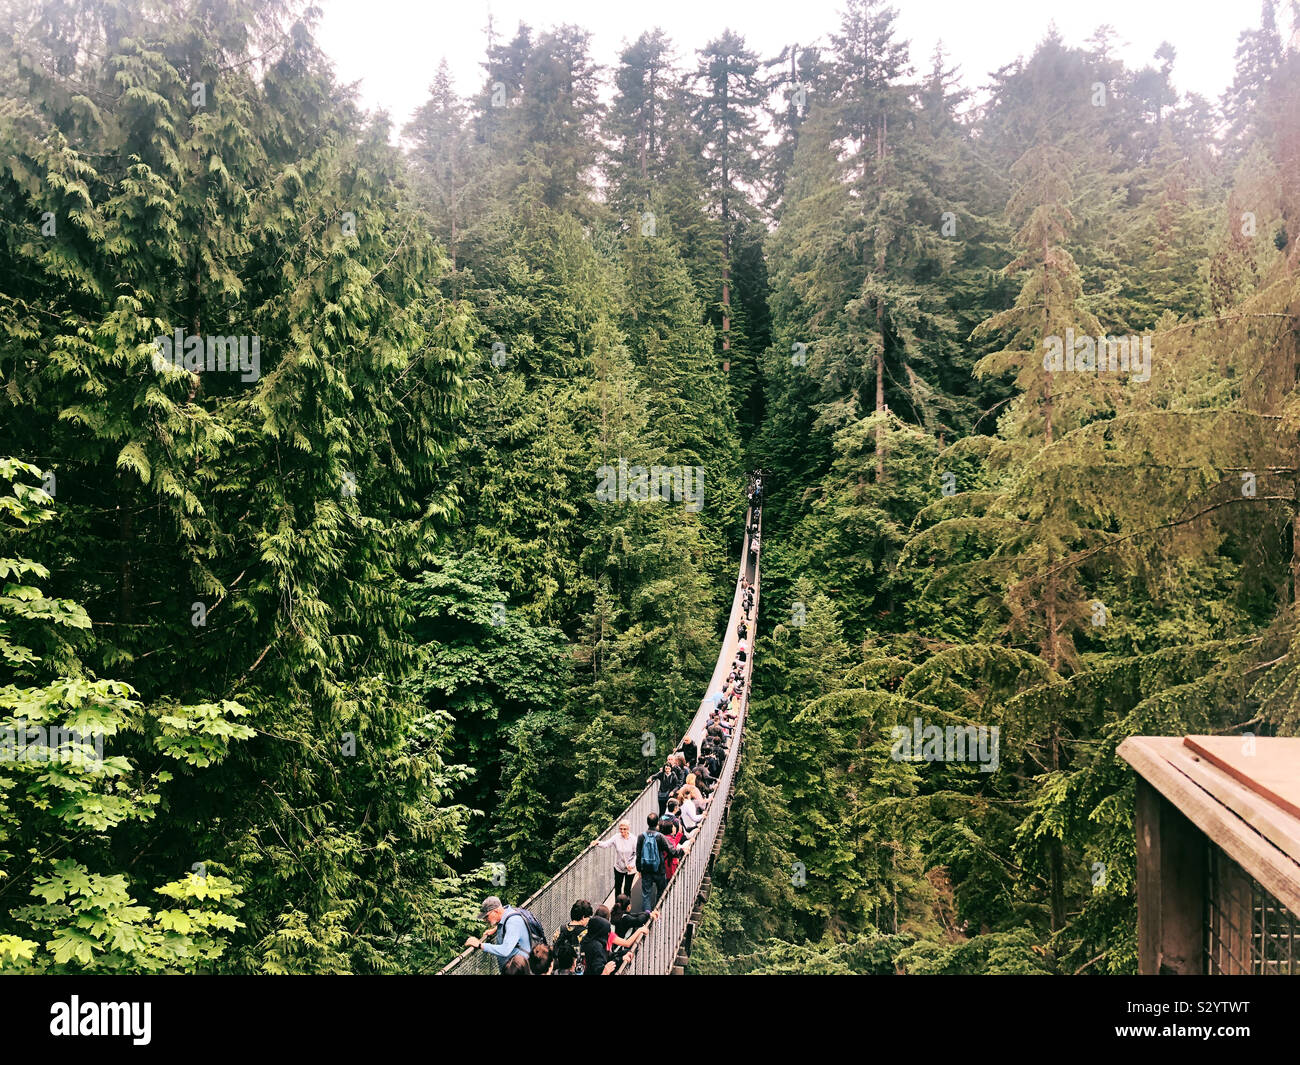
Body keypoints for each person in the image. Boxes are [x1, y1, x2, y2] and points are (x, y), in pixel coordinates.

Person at [464, 896, 533, 971]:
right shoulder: (507, 914)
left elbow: (505, 950)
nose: (485, 920)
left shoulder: (513, 922)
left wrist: (480, 945)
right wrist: (497, 928)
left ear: (496, 911)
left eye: (487, 916)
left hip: (521, 970)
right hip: (515, 967)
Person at [635, 812, 683, 911]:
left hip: (646, 870)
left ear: (647, 823)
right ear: (657, 823)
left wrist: (639, 869)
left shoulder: (641, 836)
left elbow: (638, 854)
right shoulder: (660, 836)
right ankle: (658, 912)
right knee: (661, 892)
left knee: (646, 895)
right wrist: (682, 851)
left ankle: (647, 915)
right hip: (659, 869)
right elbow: (672, 851)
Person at [593, 819, 638, 898]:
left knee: (627, 889)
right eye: (621, 829)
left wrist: (632, 864)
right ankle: (618, 907)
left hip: (630, 868)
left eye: (624, 829)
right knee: (618, 888)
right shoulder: (616, 837)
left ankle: (626, 907)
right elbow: (606, 844)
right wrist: (597, 842)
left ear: (628, 829)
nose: (622, 831)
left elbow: (637, 854)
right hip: (619, 867)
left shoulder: (633, 839)